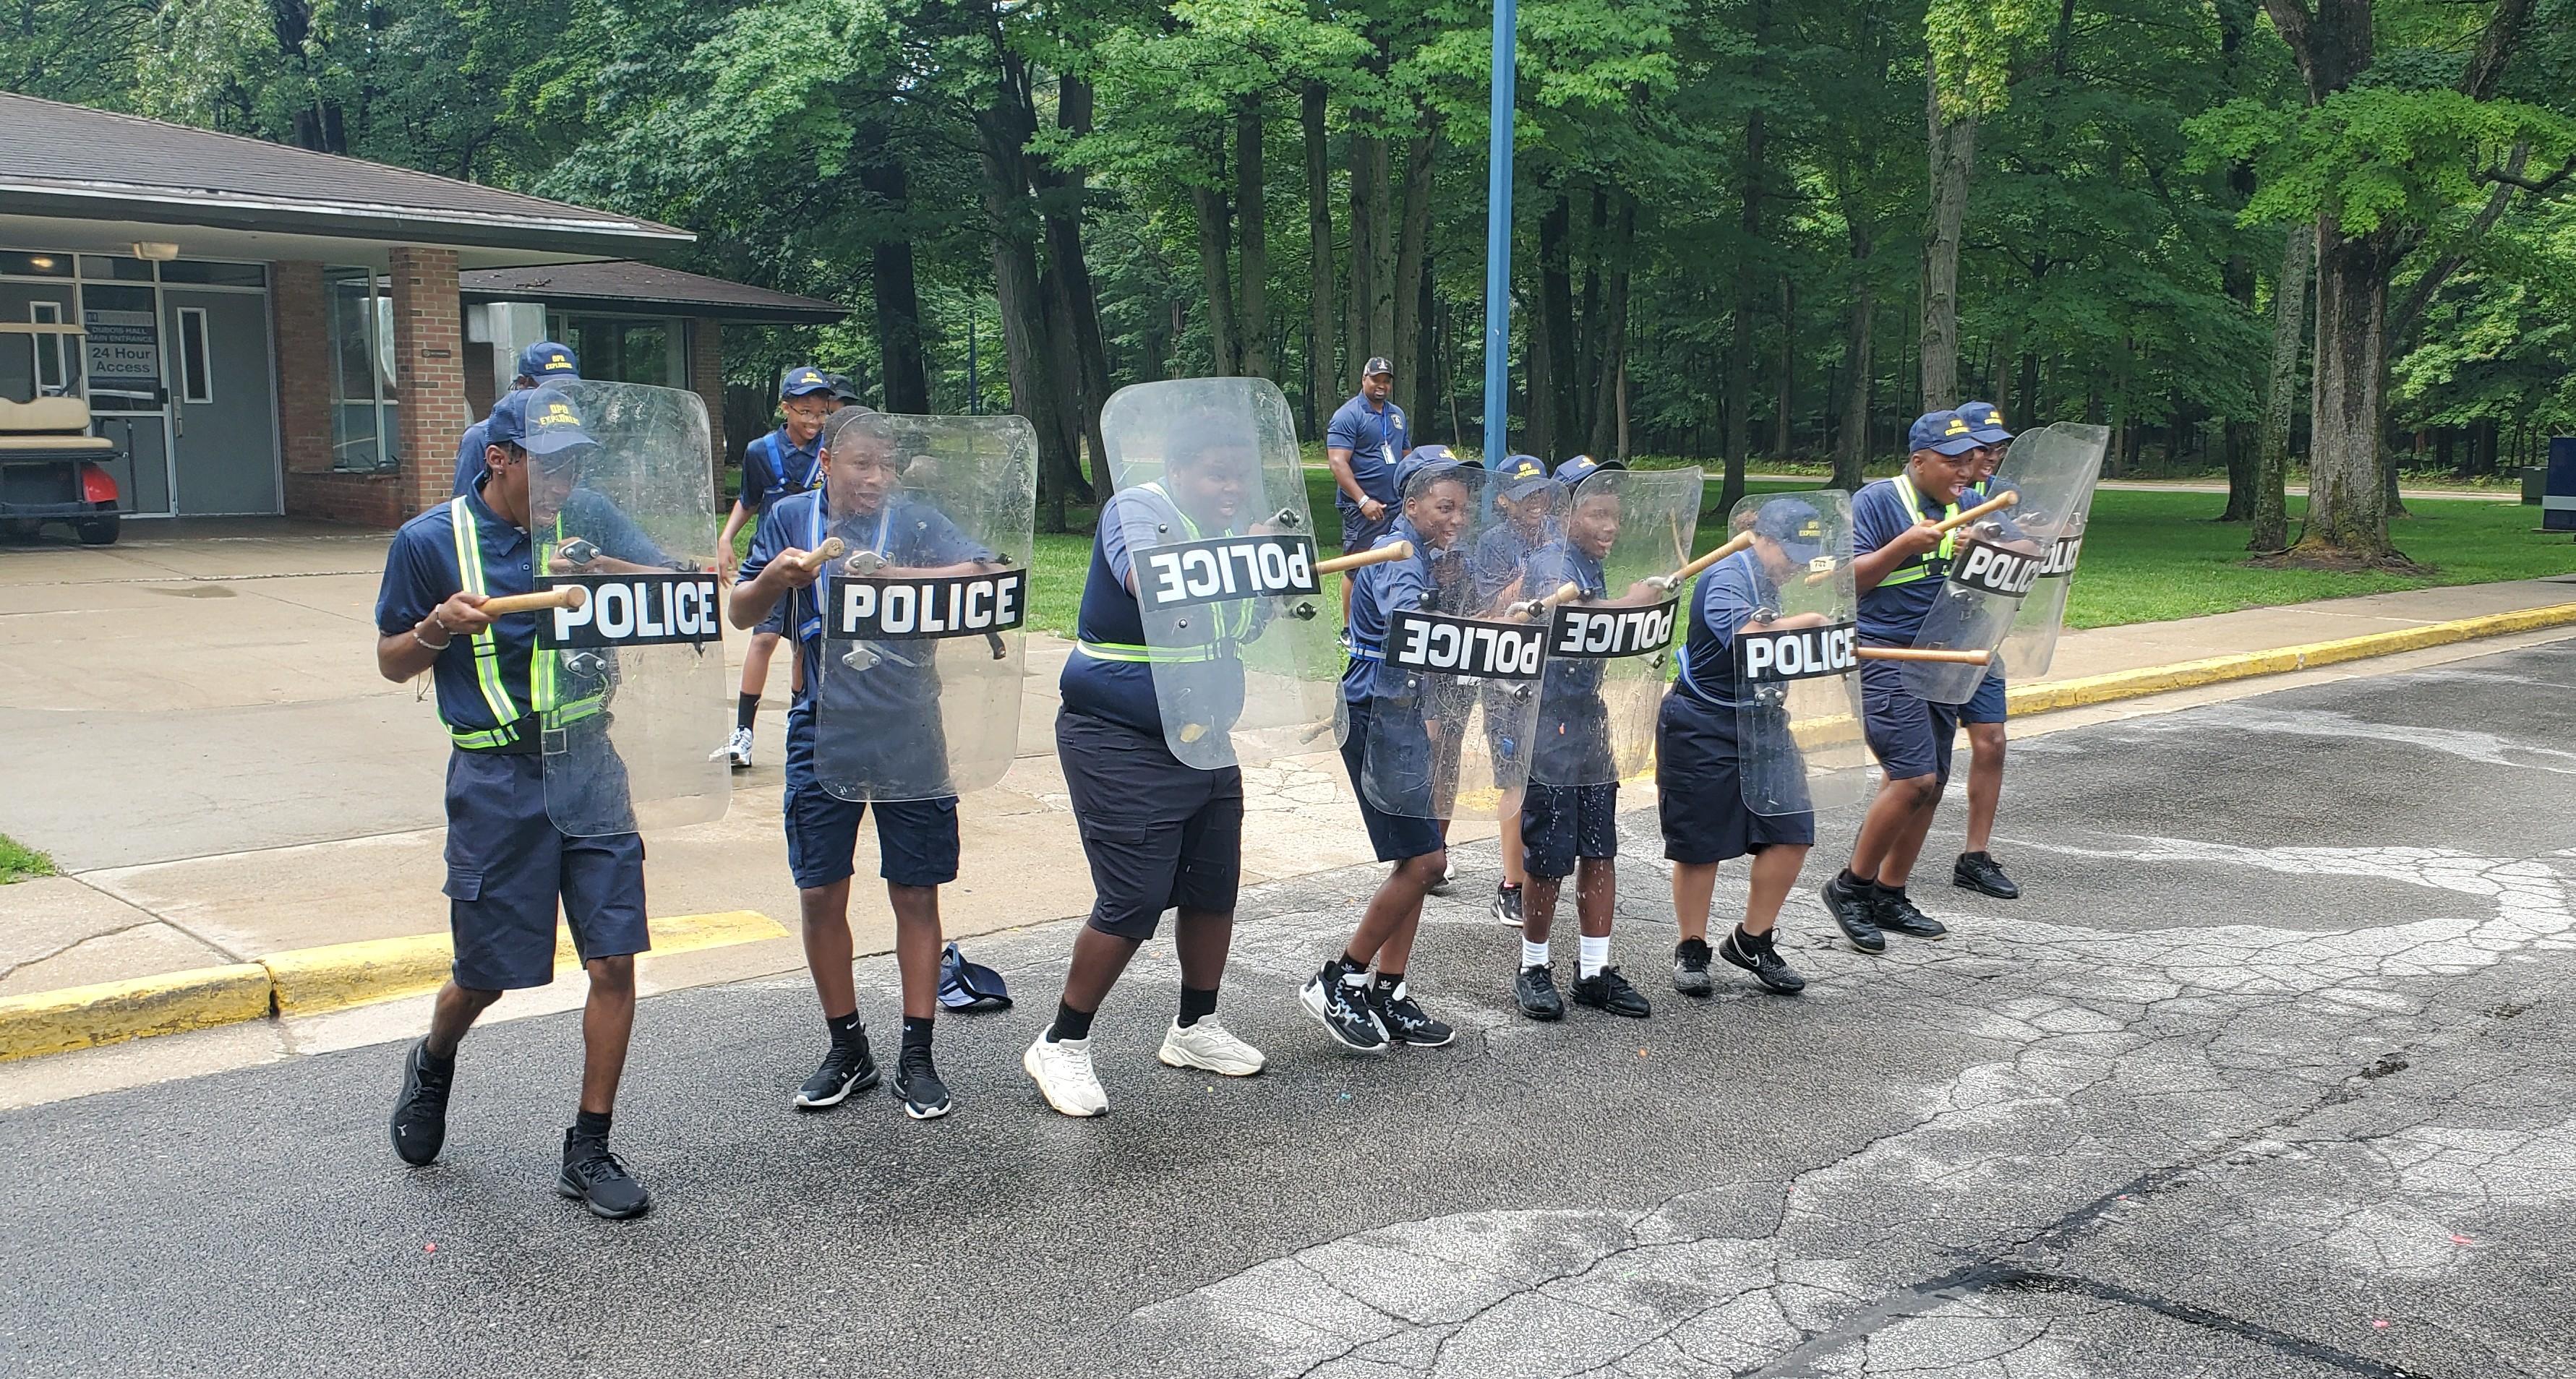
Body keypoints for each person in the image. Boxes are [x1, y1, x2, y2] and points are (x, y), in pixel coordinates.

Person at [376, 387, 672, 1221]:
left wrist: (606, 571)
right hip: (497, 781)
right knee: (486, 976)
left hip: (590, 765)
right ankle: (434, 1059)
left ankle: (588, 1147)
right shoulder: (430, 542)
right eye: (549, 463)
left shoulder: (584, 523)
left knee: (613, 960)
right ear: (497, 458)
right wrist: (437, 627)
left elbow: (674, 587)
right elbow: (393, 662)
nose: (565, 478)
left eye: (575, 462)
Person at [726, 411, 999, 1120]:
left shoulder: (912, 519)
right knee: (820, 893)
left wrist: (896, 574)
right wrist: (774, 582)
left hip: (910, 723)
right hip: (823, 725)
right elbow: (737, 608)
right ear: (826, 464)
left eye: (885, 465)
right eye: (859, 464)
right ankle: (847, 1047)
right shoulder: (790, 518)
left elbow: (984, 570)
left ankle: (918, 1053)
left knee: (915, 893)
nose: (875, 478)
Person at [1022, 425, 1273, 1117]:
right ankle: (1061, 1042)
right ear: (1178, 465)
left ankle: (1196, 1027)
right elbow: (1151, 585)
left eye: (1239, 479)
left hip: (1205, 732)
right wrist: (1245, 559)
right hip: (1119, 735)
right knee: (1132, 899)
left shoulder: (1237, 538)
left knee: (1211, 887)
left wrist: (1266, 580)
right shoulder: (1137, 509)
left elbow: (1243, 627)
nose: (1231, 491)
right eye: (1218, 475)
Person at [1303, 450, 1482, 1054]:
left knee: (1415, 859)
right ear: (1410, 506)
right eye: (1444, 506)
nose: (1456, 517)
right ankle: (1342, 979)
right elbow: (1414, 626)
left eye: (1462, 506)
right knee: (1425, 862)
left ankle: (1390, 989)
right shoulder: (1397, 557)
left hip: (1411, 714)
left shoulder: (1433, 555)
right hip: (1381, 715)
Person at [1818, 410, 1987, 951]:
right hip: (1881, 653)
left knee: (1932, 784)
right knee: (1911, 777)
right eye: (1953, 462)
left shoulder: (1961, 505)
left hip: (1938, 654)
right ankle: (1850, 887)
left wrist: (1976, 554)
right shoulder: (1876, 502)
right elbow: (1841, 585)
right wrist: (1901, 547)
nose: (1966, 472)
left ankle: (1890, 893)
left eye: (1970, 461)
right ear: (1918, 461)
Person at [1659, 500, 1829, 997]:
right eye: (1789, 552)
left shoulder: (1771, 579)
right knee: (1700, 842)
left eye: (1806, 555)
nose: (1796, 564)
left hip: (1764, 720)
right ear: (1762, 540)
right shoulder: (1726, 578)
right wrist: (1811, 622)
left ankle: (1752, 939)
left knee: (1792, 831)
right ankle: (1691, 946)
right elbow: (1747, 636)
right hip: (1703, 721)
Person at [1511, 476, 1656, 1021]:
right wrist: (1632, 604)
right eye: (1597, 513)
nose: (1610, 525)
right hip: (1550, 725)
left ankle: (1594, 971)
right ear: (1566, 514)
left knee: (1600, 846)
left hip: (1588, 719)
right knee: (1549, 856)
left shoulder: (1586, 561)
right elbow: (1562, 619)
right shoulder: (1553, 561)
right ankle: (1533, 966)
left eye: (1613, 514)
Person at [714, 366, 836, 770]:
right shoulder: (760, 452)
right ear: (785, 408)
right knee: (763, 639)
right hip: (773, 557)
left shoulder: (832, 450)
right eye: (805, 411)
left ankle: (801, 720)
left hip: (818, 561)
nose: (814, 421)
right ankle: (744, 731)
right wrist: (726, 538)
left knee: (806, 643)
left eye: (821, 413)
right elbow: (749, 500)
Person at [1949, 400, 2021, 901]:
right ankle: (1877, 870)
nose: (1993, 455)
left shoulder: (1997, 497)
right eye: (1984, 447)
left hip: (1977, 636)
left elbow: (2026, 551)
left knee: (1991, 740)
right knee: (1917, 769)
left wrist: (1987, 541)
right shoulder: (1921, 491)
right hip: (1920, 638)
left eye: (1998, 447)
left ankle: (1975, 855)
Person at [1325, 358, 1410, 622]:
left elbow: (1406, 454)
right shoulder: (1348, 415)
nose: (1381, 385)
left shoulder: (1397, 415)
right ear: (1364, 379)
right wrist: (1363, 500)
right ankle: (1350, 629)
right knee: (1356, 565)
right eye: (1376, 380)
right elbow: (1338, 462)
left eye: (1386, 381)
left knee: (1395, 562)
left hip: (1395, 504)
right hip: (1362, 507)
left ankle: (1384, 620)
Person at [450, 341, 578, 497]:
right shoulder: (480, 437)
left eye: (568, 391)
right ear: (522, 383)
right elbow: (464, 502)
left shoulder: (575, 435)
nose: (560, 398)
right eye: (551, 390)